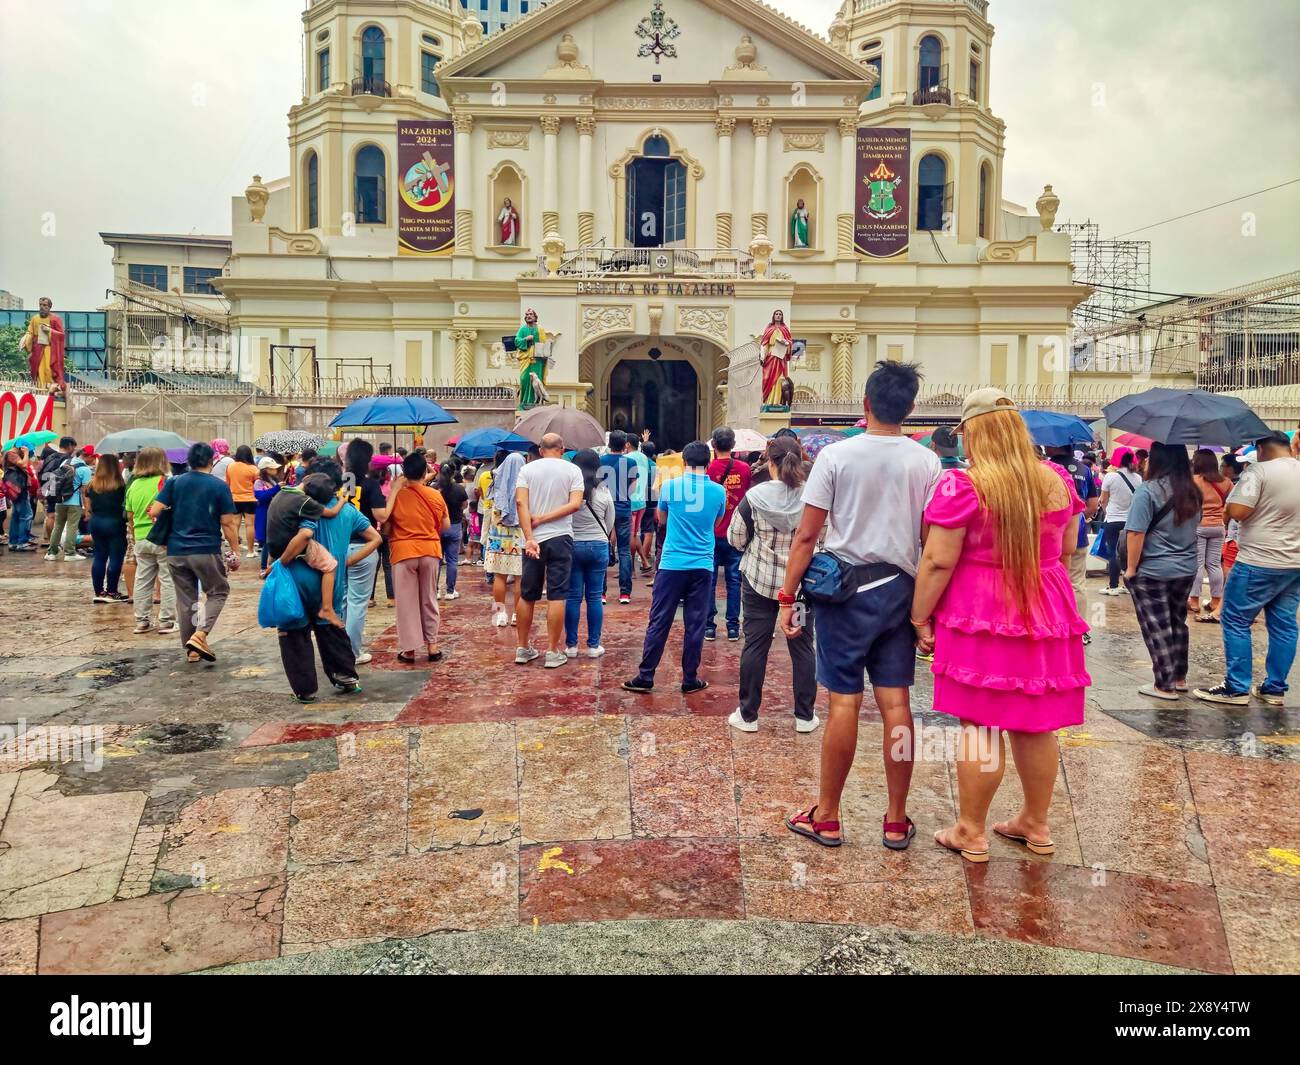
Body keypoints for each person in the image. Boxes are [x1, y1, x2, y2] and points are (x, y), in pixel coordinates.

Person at [912, 389, 1088, 863]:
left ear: (972, 434)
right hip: (1046, 604)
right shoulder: (1055, 479)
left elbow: (937, 561)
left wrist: (919, 616)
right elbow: (1068, 545)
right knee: (1036, 722)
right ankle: (1036, 822)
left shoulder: (963, 485)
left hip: (982, 609)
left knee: (980, 723)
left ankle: (970, 829)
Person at [779, 362, 940, 848]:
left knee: (843, 703)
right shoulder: (926, 462)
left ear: (864, 404)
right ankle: (895, 818)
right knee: (897, 703)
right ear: (910, 409)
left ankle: (826, 815)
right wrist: (925, 612)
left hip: (845, 594)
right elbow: (929, 541)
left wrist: (788, 597)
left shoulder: (835, 456)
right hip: (901, 592)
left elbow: (807, 535)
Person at [1195, 432, 1300, 706]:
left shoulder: (1259, 471)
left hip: (1258, 560)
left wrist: (1229, 507)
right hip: (1294, 563)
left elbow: (1239, 511)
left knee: (1236, 620)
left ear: (1262, 449)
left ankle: (1237, 687)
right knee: (1284, 624)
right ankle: (1274, 688)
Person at [726, 435, 817, 733]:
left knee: (755, 644)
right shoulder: (812, 497)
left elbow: (736, 538)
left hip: (759, 584)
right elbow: (824, 538)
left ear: (770, 459)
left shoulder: (755, 496)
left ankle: (748, 715)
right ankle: (805, 716)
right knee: (802, 645)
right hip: (801, 589)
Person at [622, 440, 726, 695]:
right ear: (708, 462)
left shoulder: (670, 486)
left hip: (671, 564)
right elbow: (717, 521)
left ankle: (646, 675)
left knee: (659, 620)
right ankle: (690, 678)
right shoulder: (718, 492)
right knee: (696, 623)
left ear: (684, 462)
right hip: (702, 565)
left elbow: (662, 519)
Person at [274, 469, 376, 703]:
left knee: (295, 632)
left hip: (299, 577)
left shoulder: (301, 508)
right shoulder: (348, 511)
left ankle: (305, 690)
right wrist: (348, 560)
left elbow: (290, 536)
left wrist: (279, 562)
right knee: (331, 628)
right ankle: (346, 676)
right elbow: (376, 538)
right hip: (333, 582)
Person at [147, 442, 241, 663]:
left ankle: (191, 650)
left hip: (176, 550)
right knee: (218, 591)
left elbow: (155, 510)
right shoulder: (218, 486)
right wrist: (235, 551)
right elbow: (227, 523)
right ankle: (200, 635)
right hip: (205, 549)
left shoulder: (174, 482)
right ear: (211, 460)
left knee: (186, 598)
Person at [1123, 442, 1202, 701]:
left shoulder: (1148, 491)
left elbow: (1135, 532)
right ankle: (1179, 677)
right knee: (1177, 621)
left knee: (1156, 625)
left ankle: (1164, 684)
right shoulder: (1193, 491)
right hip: (1186, 568)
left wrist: (1131, 568)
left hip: (1154, 569)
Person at [515, 433, 585, 668]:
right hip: (560, 537)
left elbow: (520, 503)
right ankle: (553, 651)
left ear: (541, 450)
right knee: (557, 594)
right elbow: (575, 504)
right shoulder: (572, 470)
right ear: (562, 448)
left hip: (533, 538)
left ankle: (523, 648)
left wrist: (529, 537)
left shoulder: (527, 470)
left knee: (528, 594)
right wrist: (545, 518)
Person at [385, 451, 449, 663]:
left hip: (403, 552)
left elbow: (385, 526)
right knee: (429, 598)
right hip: (430, 550)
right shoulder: (435, 495)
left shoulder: (396, 496)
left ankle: (410, 649)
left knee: (407, 602)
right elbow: (445, 525)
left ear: (404, 472)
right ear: (424, 472)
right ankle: (432, 646)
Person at [263, 473, 347, 629]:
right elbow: (331, 513)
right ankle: (327, 608)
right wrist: (342, 500)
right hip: (289, 543)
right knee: (330, 565)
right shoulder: (305, 501)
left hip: (272, 544)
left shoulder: (282, 492)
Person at [1044, 444, 1100, 643]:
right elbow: (1093, 504)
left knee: (1051, 583)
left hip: (1049, 537)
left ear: (1053, 446)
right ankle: (1080, 630)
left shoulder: (1046, 469)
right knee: (1077, 583)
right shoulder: (1085, 470)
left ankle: (1055, 626)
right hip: (1079, 534)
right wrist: (1076, 519)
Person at [341, 439, 391, 663]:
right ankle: (353, 651)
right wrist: (395, 492)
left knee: (341, 599)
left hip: (338, 545)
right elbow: (381, 516)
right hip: (363, 545)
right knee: (357, 602)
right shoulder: (370, 484)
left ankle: (338, 648)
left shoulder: (340, 481)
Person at [565, 448, 616, 658]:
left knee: (573, 597)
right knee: (594, 597)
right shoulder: (603, 490)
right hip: (598, 545)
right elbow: (610, 521)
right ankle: (594, 646)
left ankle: (571, 646)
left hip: (573, 545)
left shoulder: (569, 491)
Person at [124, 447, 176, 635]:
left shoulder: (134, 485)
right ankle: (166, 621)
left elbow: (129, 515)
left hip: (140, 536)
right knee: (167, 579)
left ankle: (142, 621)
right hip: (162, 537)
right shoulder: (165, 482)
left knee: (143, 580)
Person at [706, 426, 751, 642]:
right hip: (736, 532)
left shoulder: (708, 469)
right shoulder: (744, 469)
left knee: (710, 580)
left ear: (713, 445)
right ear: (733, 445)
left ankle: (709, 626)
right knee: (734, 581)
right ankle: (733, 626)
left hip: (712, 532)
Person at [486, 451, 526, 626]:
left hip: (498, 534)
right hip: (520, 534)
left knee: (499, 576)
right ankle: (518, 614)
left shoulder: (497, 480)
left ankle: (500, 615)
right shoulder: (525, 483)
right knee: (520, 576)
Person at [84, 453, 130, 604]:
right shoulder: (121, 486)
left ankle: (99, 591)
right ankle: (112, 591)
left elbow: (88, 506)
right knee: (116, 557)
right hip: (115, 522)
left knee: (99, 556)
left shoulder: (92, 485)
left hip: (96, 522)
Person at [1190, 448, 1230, 621]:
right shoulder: (1226, 482)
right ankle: (1216, 600)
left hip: (1199, 525)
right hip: (1218, 526)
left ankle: (1194, 600)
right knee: (1214, 564)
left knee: (1198, 564)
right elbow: (1229, 504)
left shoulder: (1193, 481)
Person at [599, 430, 639, 604]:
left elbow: (597, 486)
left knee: (602, 548)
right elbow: (634, 488)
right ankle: (625, 592)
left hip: (604, 509)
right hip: (623, 508)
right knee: (624, 551)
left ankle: (602, 592)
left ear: (609, 445)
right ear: (625, 445)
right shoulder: (631, 462)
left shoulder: (601, 461)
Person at [1098, 451, 1141, 595]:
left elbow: (1103, 500)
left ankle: (1113, 586)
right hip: (1131, 521)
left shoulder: (1110, 476)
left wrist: (1107, 510)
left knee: (1113, 552)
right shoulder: (1138, 478)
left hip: (1113, 519)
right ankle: (1128, 585)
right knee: (1128, 553)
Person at [45, 446, 93, 562]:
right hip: (74, 503)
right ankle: (70, 553)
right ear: (88, 456)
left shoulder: (65, 462)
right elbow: (84, 492)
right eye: (92, 458)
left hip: (60, 501)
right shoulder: (85, 469)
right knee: (72, 526)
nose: (93, 461)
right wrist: (87, 509)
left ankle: (52, 553)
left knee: (58, 526)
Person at [20, 296, 66, 394]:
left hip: (50, 350)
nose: (42, 307)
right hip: (37, 351)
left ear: (49, 307)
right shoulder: (35, 319)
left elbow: (61, 335)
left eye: (44, 305)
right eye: (40, 305)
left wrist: (50, 330)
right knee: (39, 371)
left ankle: (51, 391)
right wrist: (26, 338)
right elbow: (30, 332)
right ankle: (41, 392)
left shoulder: (56, 319)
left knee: (48, 371)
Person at [437, 460, 468, 601]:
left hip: (437, 527)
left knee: (436, 560)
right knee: (452, 560)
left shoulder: (434, 488)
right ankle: (450, 591)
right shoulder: (459, 489)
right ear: (454, 472)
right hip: (454, 526)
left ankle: (435, 590)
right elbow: (464, 505)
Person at [39, 436, 77, 547]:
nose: (73, 450)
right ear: (69, 446)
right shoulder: (68, 459)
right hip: (61, 490)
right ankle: (59, 543)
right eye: (73, 447)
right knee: (62, 519)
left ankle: (51, 542)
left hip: (49, 487)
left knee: (50, 515)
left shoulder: (49, 457)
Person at [226, 445, 260, 557]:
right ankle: (250, 551)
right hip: (250, 499)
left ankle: (236, 551)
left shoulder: (230, 467)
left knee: (235, 525)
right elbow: (257, 484)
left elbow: (228, 483)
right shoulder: (253, 469)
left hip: (234, 498)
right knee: (250, 525)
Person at [2, 449, 38, 551]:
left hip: (17, 489)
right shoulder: (12, 454)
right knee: (27, 515)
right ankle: (22, 542)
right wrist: (26, 453)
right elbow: (23, 465)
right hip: (19, 489)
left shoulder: (9, 455)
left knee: (16, 516)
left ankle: (13, 542)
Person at [627, 433, 652, 578]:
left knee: (631, 534)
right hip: (641, 500)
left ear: (628, 444)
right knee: (634, 533)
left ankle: (633, 566)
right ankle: (642, 563)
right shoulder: (643, 457)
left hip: (631, 501)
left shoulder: (628, 458)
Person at [253, 457, 282, 570]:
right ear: (266, 469)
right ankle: (264, 567)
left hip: (272, 512)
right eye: (272, 468)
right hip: (264, 513)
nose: (275, 470)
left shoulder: (272, 480)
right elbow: (261, 497)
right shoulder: (258, 482)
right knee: (266, 541)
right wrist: (277, 488)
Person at [637, 441, 659, 576]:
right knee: (648, 531)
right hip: (653, 501)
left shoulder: (640, 466)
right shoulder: (656, 466)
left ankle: (644, 559)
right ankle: (644, 557)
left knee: (645, 531)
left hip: (641, 501)